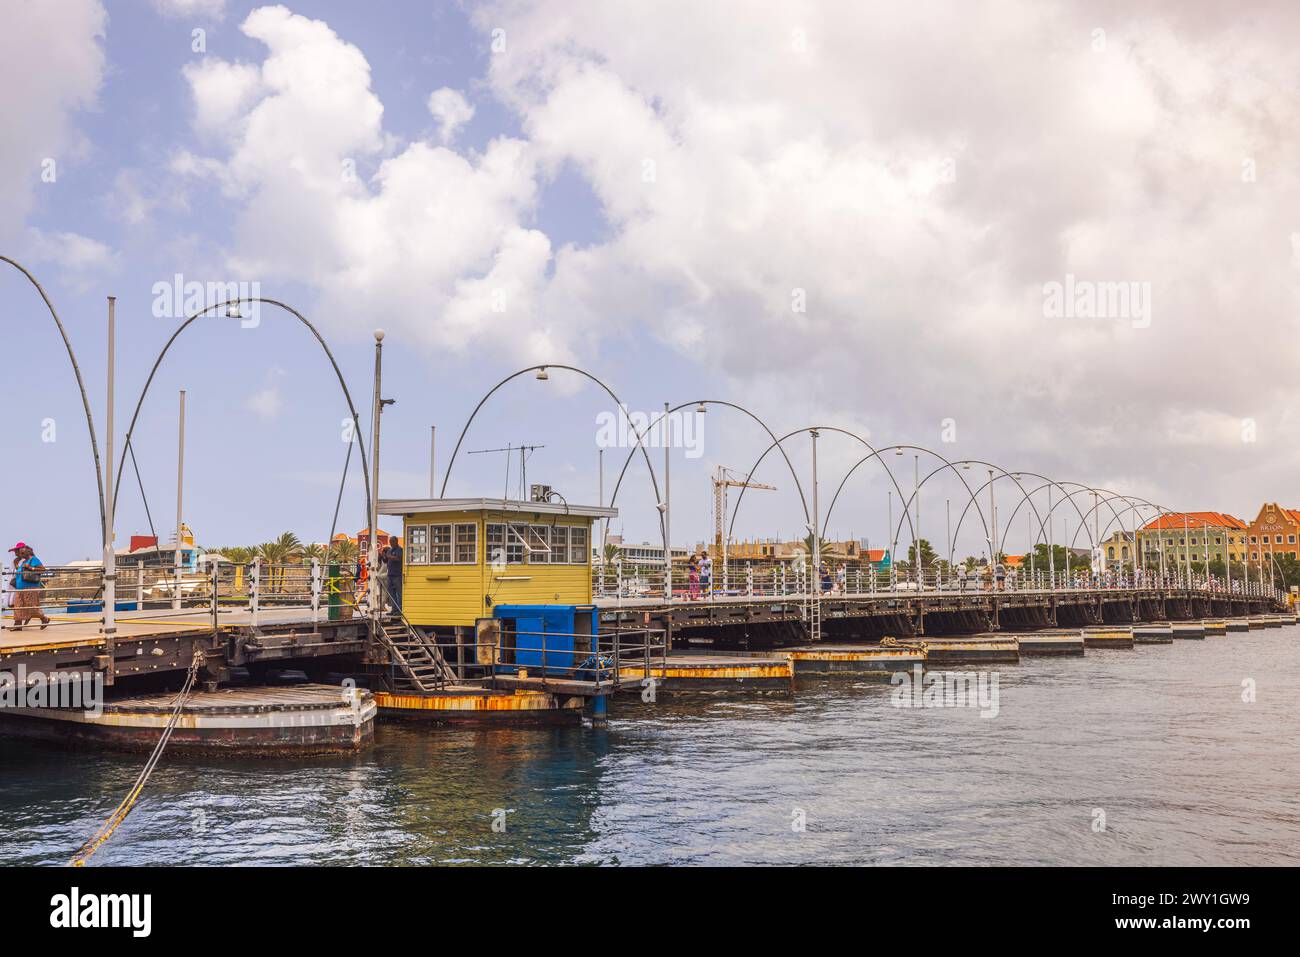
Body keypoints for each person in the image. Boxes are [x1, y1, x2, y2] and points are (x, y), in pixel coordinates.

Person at [10, 543, 50, 630]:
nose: (21, 555)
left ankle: (44, 618)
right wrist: (16, 564)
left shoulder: (33, 560)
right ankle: (18, 625)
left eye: (22, 553)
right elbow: (21, 573)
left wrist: (31, 568)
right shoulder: (24, 562)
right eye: (21, 554)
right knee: (17, 606)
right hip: (20, 588)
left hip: (30, 587)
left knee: (31, 606)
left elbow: (43, 569)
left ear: (28, 552)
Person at [382, 535, 403, 612]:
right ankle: (394, 609)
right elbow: (386, 561)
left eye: (392, 542)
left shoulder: (400, 550)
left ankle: (400, 610)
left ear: (396, 541)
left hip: (397, 575)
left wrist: (388, 556)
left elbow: (397, 558)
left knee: (399, 593)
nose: (390, 544)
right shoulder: (390, 550)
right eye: (390, 542)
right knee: (391, 593)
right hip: (390, 575)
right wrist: (384, 557)